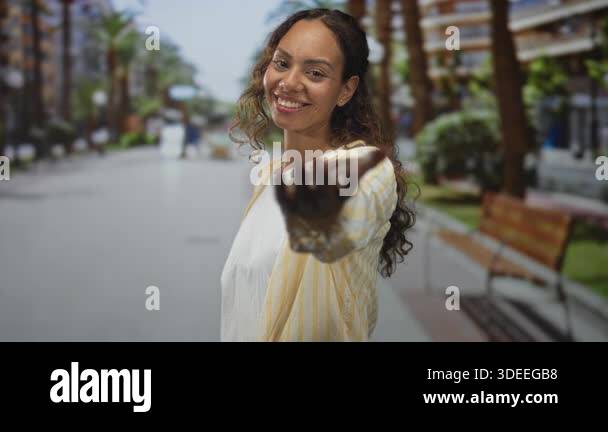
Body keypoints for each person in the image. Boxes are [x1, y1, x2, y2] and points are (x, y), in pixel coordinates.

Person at [221, 9, 416, 341]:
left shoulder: (369, 169)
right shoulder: (269, 177)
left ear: (345, 90)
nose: (290, 82)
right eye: (282, 64)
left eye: (315, 72)